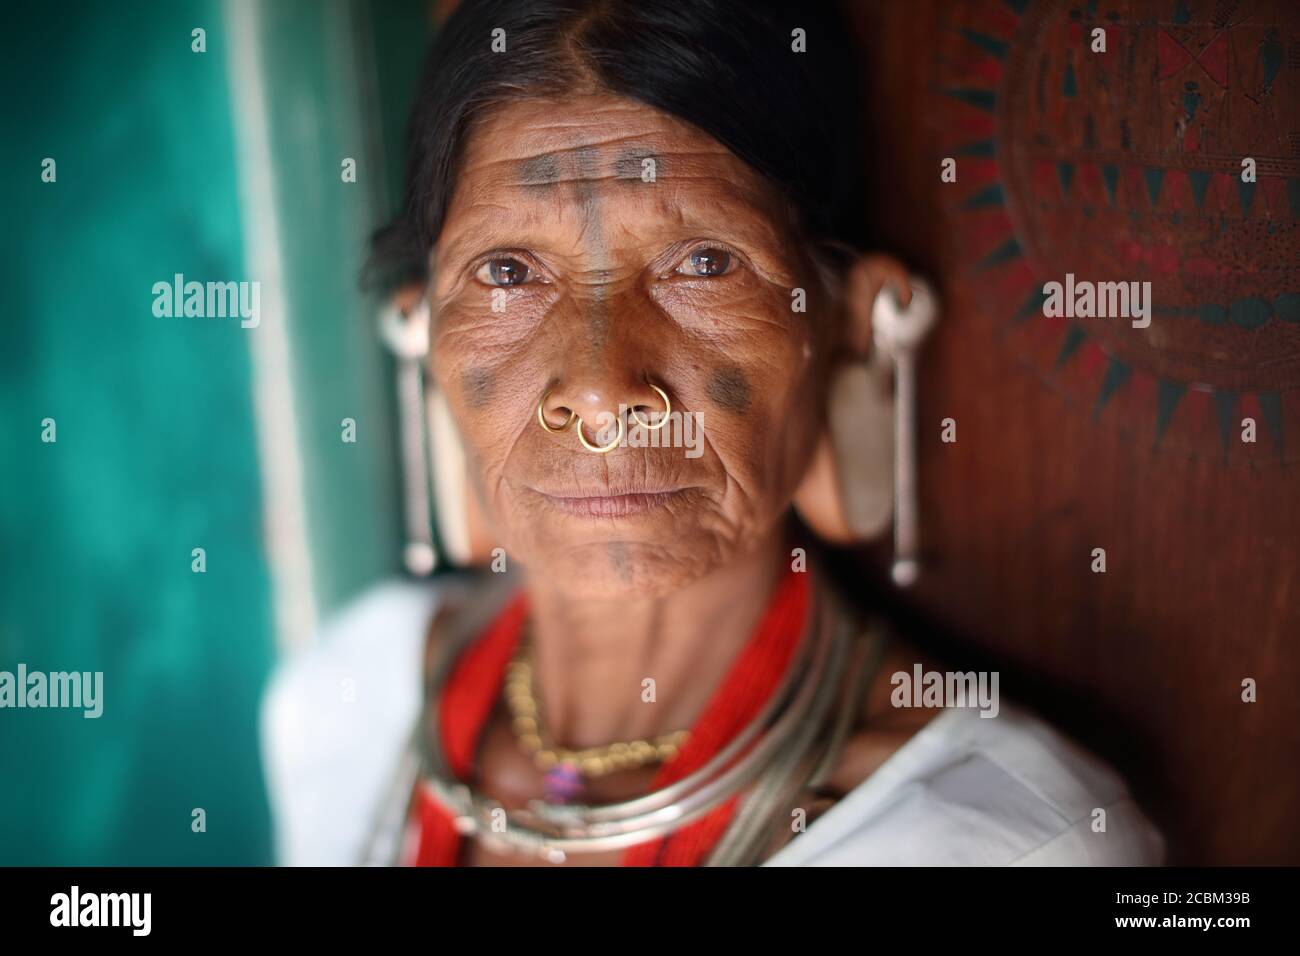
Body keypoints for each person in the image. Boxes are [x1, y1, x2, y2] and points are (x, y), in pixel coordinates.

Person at [260, 0, 1165, 867]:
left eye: (703, 263)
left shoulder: (1006, 842)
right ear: (423, 332)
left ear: (850, 323)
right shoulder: (346, 704)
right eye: (507, 270)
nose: (603, 391)